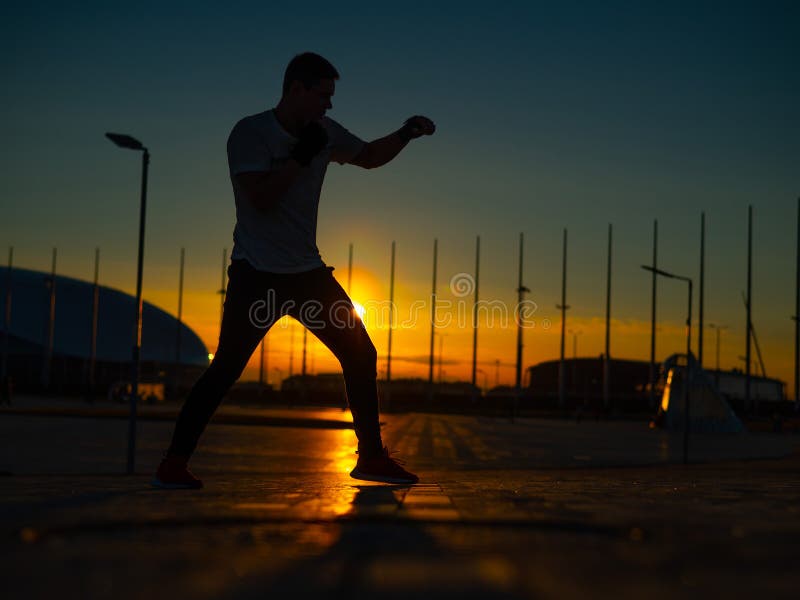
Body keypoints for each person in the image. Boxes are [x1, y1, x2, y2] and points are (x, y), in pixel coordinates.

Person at [152, 52, 435, 489]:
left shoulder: (325, 133)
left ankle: (371, 458)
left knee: (361, 353)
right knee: (225, 369)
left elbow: (369, 157)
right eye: (323, 96)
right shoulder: (250, 133)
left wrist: (406, 133)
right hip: (257, 276)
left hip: (308, 276)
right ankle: (173, 463)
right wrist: (300, 160)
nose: (329, 106)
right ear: (296, 89)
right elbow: (260, 199)